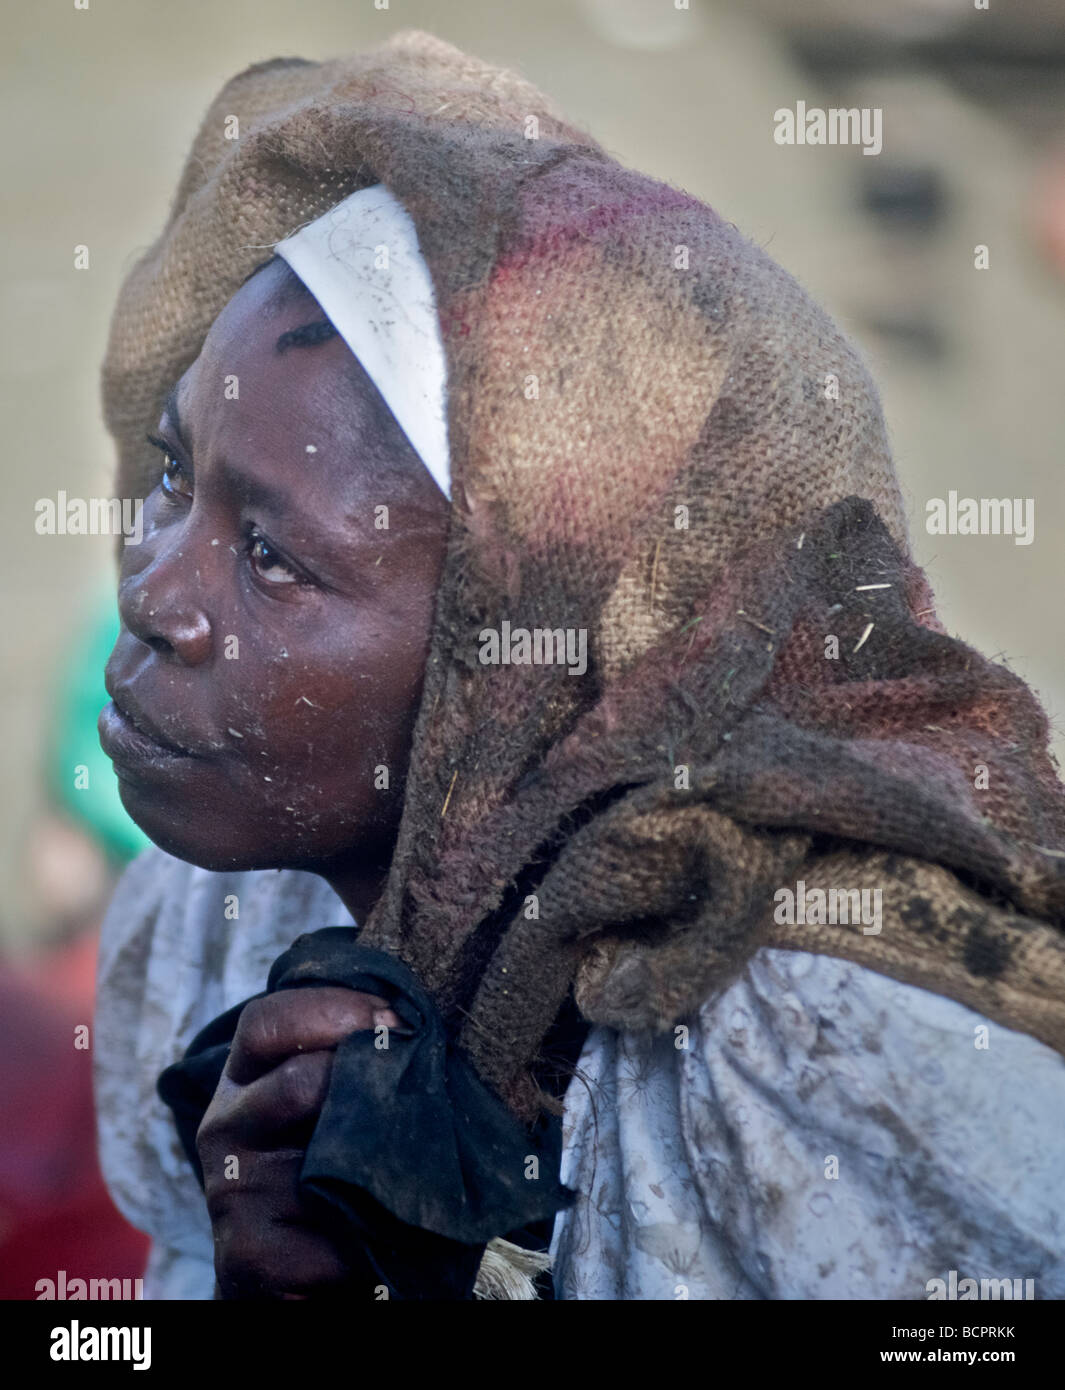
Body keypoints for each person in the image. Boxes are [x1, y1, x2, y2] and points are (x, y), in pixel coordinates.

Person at [95, 31, 1065, 1300]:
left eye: (273, 556)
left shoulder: (825, 1049)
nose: (154, 589)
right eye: (174, 477)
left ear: (511, 683)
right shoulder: (220, 916)